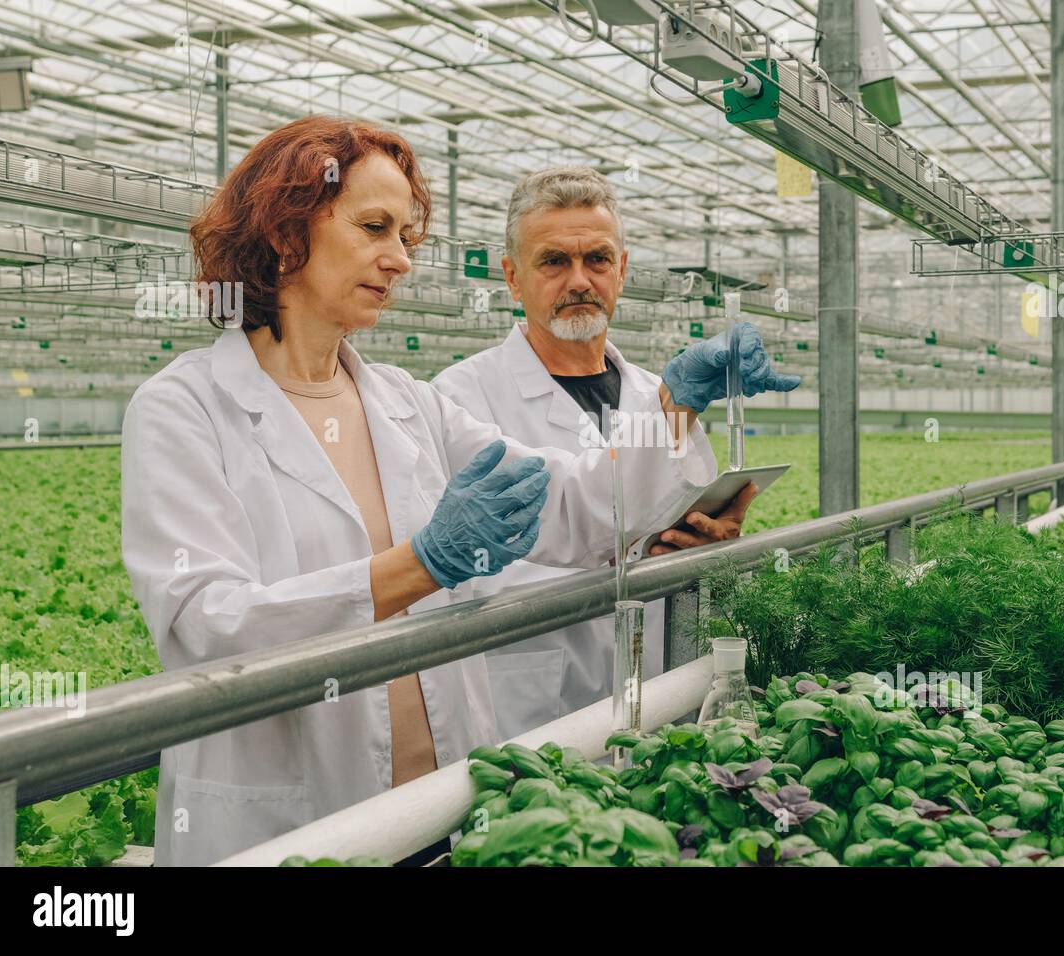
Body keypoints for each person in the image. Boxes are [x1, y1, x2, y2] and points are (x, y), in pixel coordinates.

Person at [119, 116, 797, 866]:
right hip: (297, 817)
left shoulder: (409, 403)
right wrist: (423, 565)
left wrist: (672, 403)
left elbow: (571, 507)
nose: (400, 260)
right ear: (284, 234)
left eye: (407, 235)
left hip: (441, 809)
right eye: (375, 227)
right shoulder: (185, 408)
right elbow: (207, 623)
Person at [433, 166, 774, 741]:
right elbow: (523, 539)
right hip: (529, 696)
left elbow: (685, 516)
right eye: (553, 262)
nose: (579, 280)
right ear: (513, 278)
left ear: (621, 269)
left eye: (596, 260)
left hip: (656, 680)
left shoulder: (652, 393)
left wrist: (708, 540)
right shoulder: (461, 399)